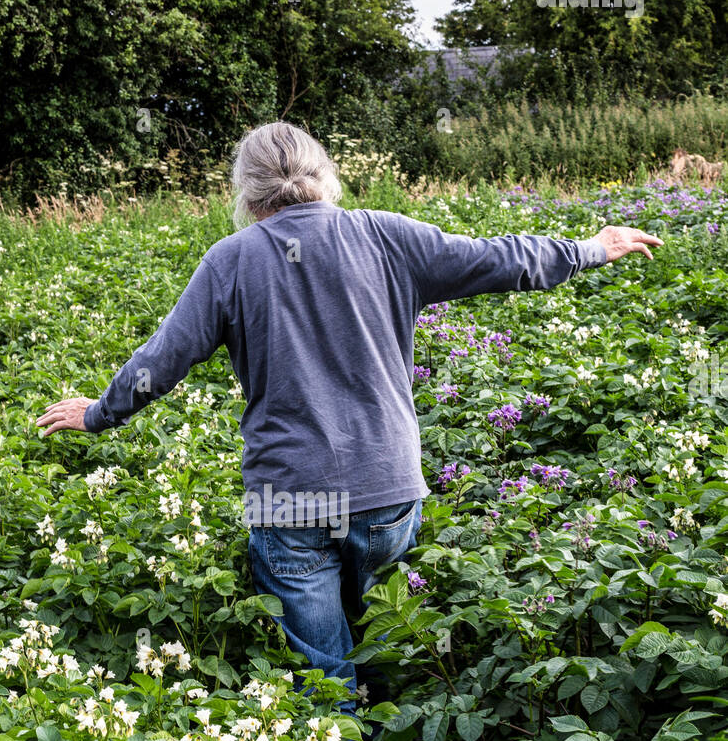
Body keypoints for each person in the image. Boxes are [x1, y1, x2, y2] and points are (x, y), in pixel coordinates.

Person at [37, 121, 663, 710]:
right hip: (386, 485)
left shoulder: (230, 261)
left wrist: (99, 414)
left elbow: (165, 358)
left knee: (323, 677)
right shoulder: (385, 235)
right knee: (389, 641)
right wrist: (589, 248)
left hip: (289, 499)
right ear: (324, 175)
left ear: (247, 193)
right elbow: (499, 259)